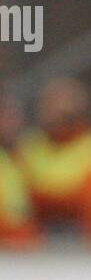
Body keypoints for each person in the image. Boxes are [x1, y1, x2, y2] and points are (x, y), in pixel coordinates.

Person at [16, 77, 91, 243]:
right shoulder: (28, 146)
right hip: (30, 249)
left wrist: (43, 199)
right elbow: (16, 201)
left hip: (80, 252)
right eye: (46, 103)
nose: (48, 112)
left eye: (57, 104)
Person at [0, 92, 40, 247]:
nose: (8, 124)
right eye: (4, 117)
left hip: (21, 243)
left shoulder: (28, 153)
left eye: (12, 117)